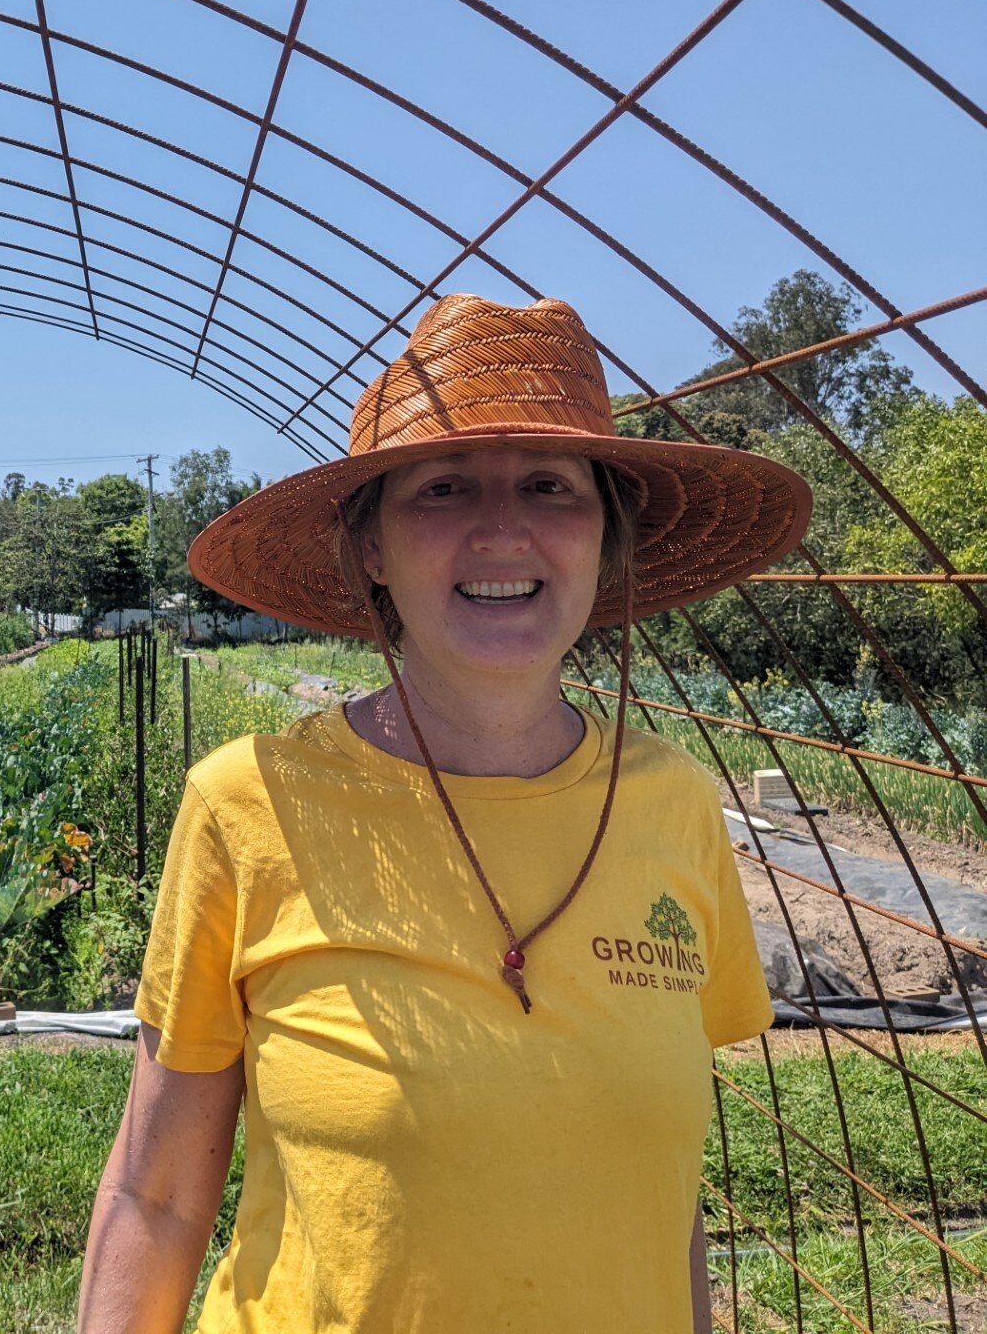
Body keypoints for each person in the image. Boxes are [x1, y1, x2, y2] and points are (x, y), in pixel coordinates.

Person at [77, 294, 813, 1333]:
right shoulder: (250, 805)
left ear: (606, 540)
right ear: (370, 548)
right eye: (444, 487)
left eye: (552, 486)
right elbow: (154, 1194)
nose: (502, 527)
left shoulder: (676, 803)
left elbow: (660, 1200)